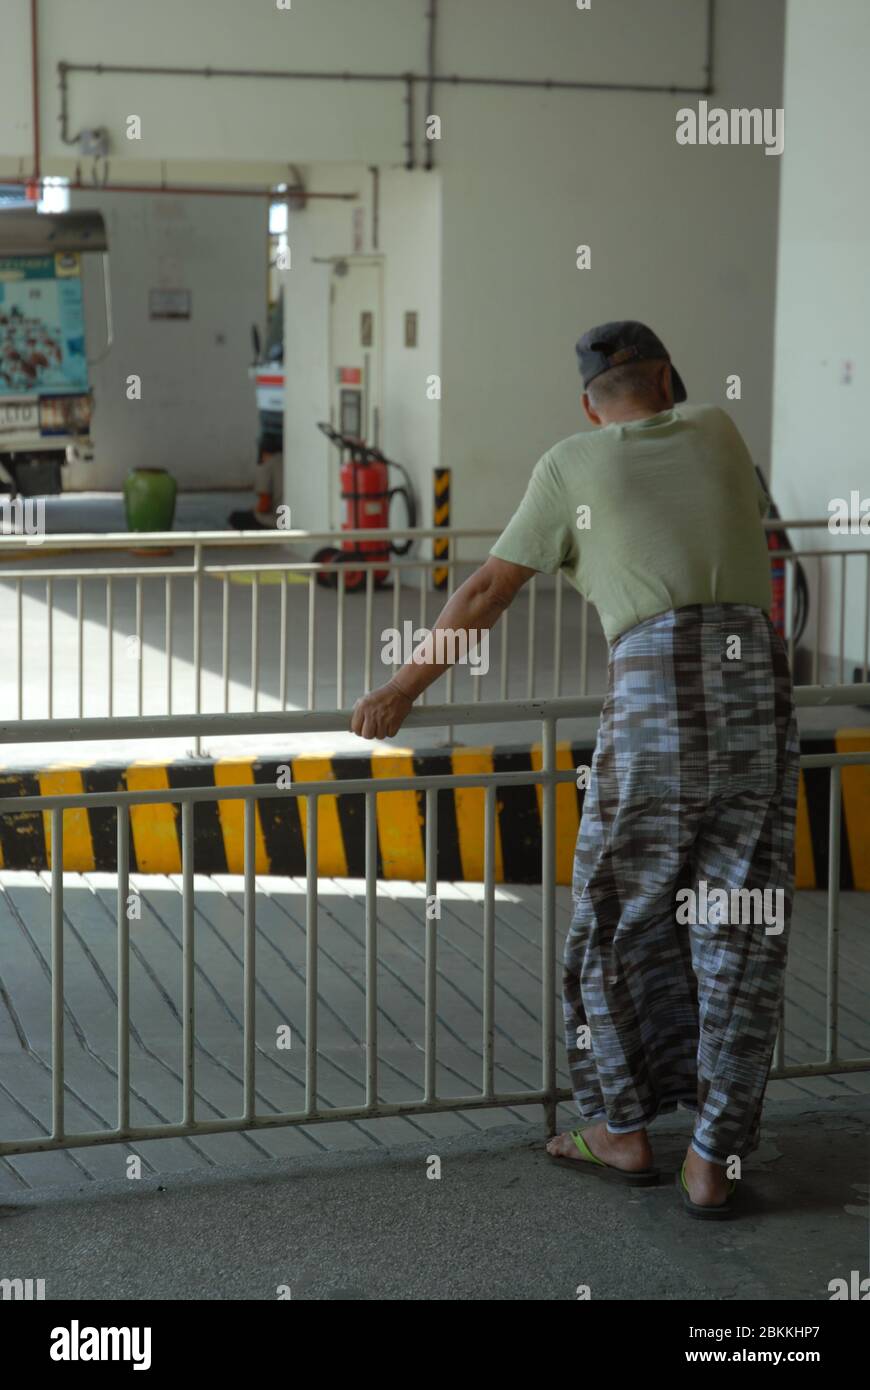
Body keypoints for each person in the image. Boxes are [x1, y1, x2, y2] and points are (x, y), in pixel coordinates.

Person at [350, 320, 799, 1219]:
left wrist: (402, 688)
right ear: (668, 377)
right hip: (758, 701)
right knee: (741, 927)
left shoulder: (569, 465)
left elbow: (485, 591)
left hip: (657, 708)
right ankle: (712, 1159)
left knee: (612, 920)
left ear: (587, 404)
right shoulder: (719, 430)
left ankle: (620, 1128)